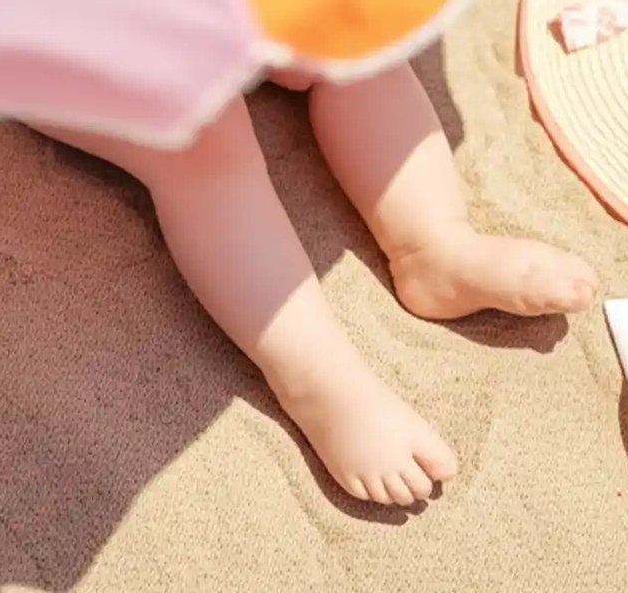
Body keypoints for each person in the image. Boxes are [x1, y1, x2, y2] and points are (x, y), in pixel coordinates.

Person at [32, 62, 597, 506]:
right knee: (200, 142)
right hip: (56, 3)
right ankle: (322, 382)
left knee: (351, 43)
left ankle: (434, 246)